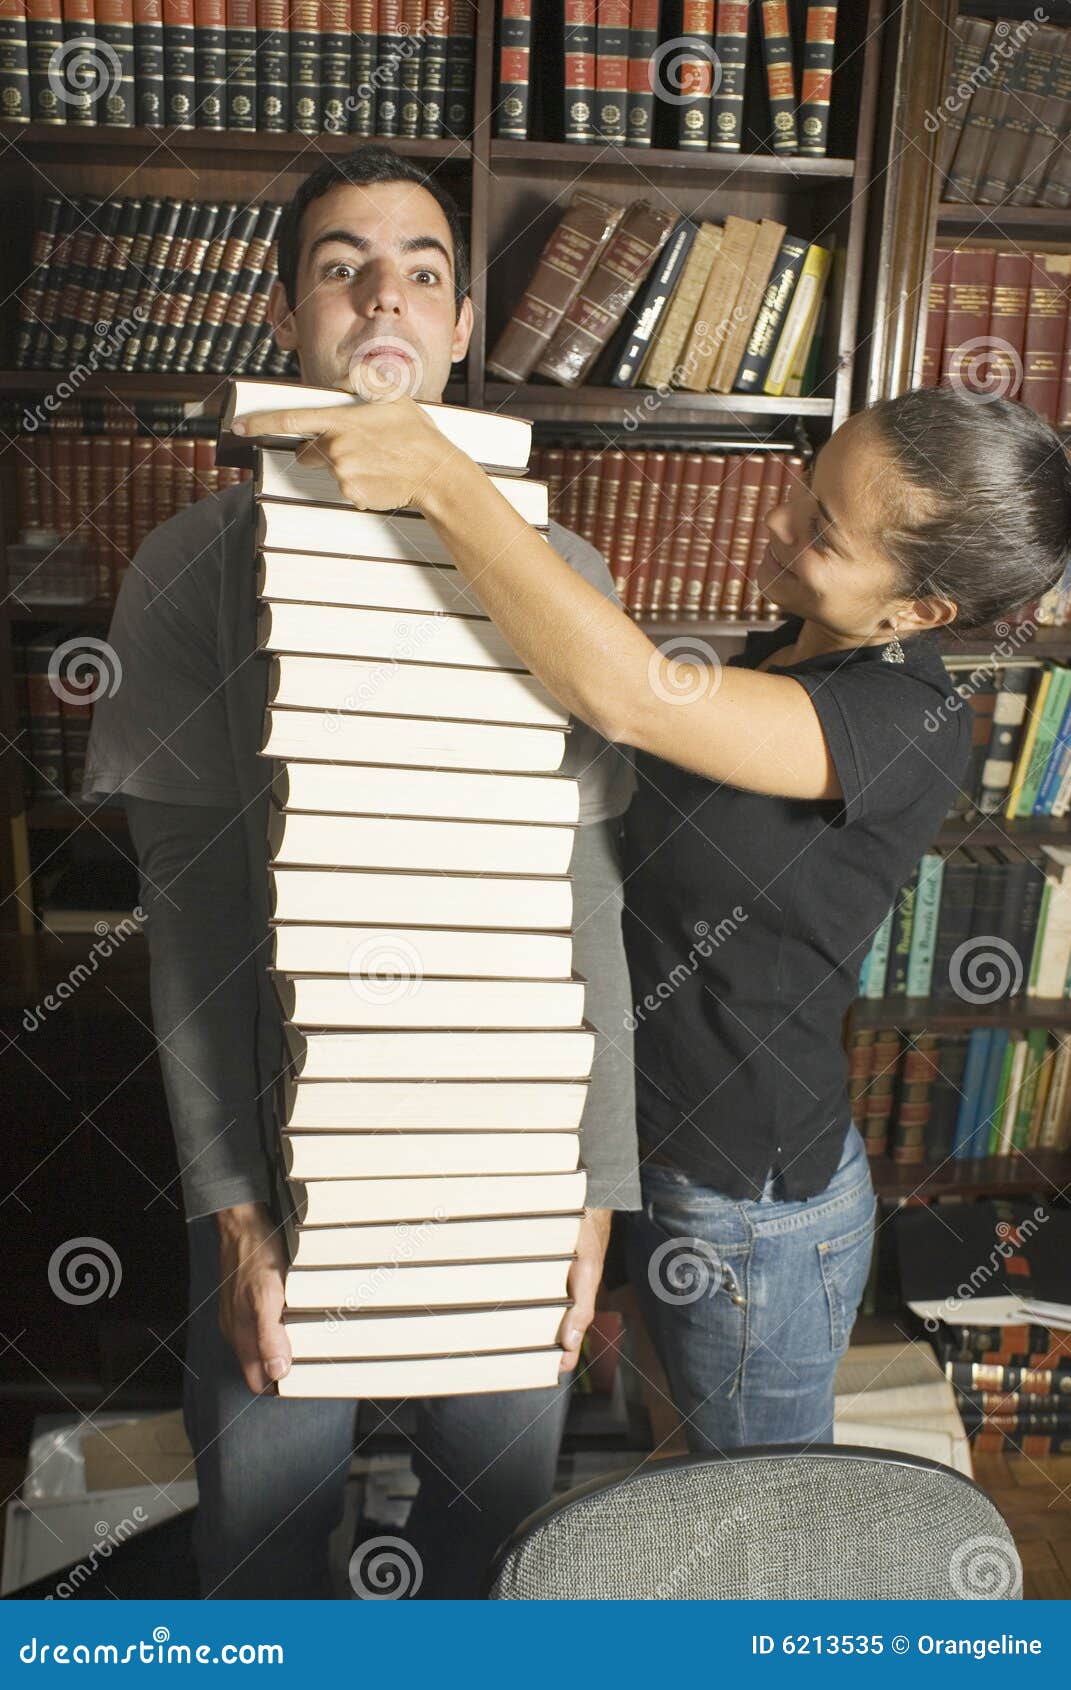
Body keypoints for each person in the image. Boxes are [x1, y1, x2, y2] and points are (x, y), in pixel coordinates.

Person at [234, 377, 1071, 1455]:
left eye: (820, 533)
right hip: (652, 1150)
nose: (774, 526)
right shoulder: (787, 649)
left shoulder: (904, 722)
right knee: (675, 1471)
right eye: (801, 491)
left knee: (753, 1528)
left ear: (917, 614)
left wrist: (439, 472)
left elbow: (626, 693)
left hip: (750, 1206)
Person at [81, 144, 641, 1599]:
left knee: (497, 1547)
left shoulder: (559, 570)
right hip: (280, 1144)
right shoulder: (192, 568)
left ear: (459, 328)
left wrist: (593, 1189)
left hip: (510, 1147)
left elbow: (582, 898)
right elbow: (197, 926)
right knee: (262, 1550)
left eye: (422, 268)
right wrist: (240, 1208)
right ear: (286, 317)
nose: (382, 290)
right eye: (341, 265)